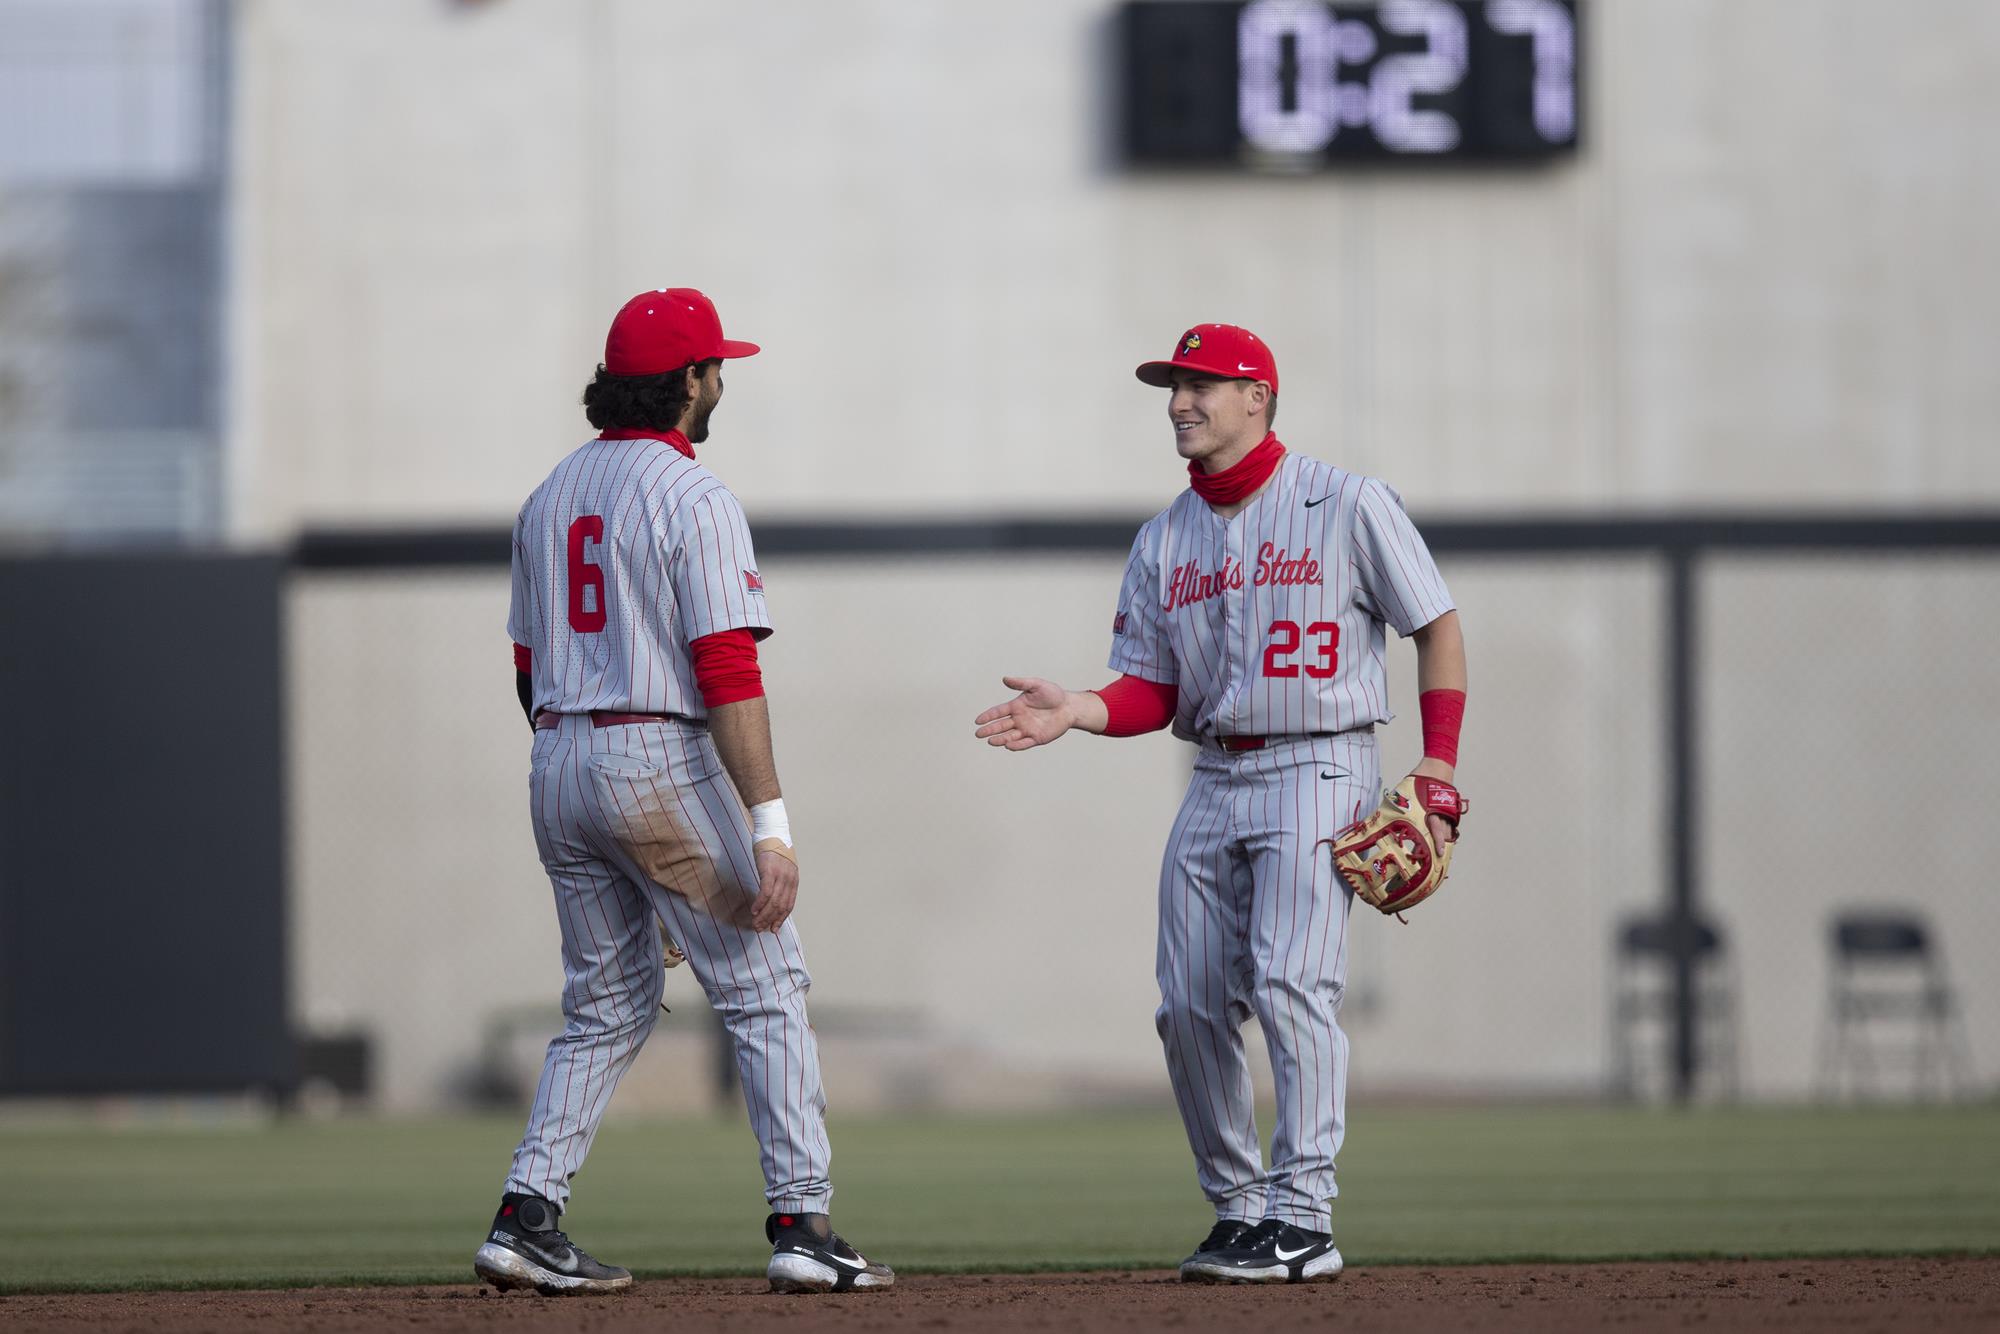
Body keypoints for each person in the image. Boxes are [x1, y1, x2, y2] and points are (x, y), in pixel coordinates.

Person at [973, 323, 1467, 1284]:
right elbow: (1152, 690)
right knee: (1188, 1005)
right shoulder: (1166, 537)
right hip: (1213, 777)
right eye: (1172, 385)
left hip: (1320, 765)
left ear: (1258, 398)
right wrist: (1077, 708)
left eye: (1202, 383)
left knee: (1292, 982)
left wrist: (1437, 770)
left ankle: (1305, 1214)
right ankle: (1242, 1210)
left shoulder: (1348, 502)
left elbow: (1437, 628)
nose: (1179, 401)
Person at [475, 288, 893, 1296]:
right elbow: (726, 670)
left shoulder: (549, 492)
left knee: (608, 1004)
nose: (721, 383)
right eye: (716, 368)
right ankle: (802, 1220)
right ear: (687, 382)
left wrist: (607, 815)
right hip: (653, 756)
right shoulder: (692, 495)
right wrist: (769, 826)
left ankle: (526, 1215)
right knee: (764, 984)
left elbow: (529, 668)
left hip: (559, 758)